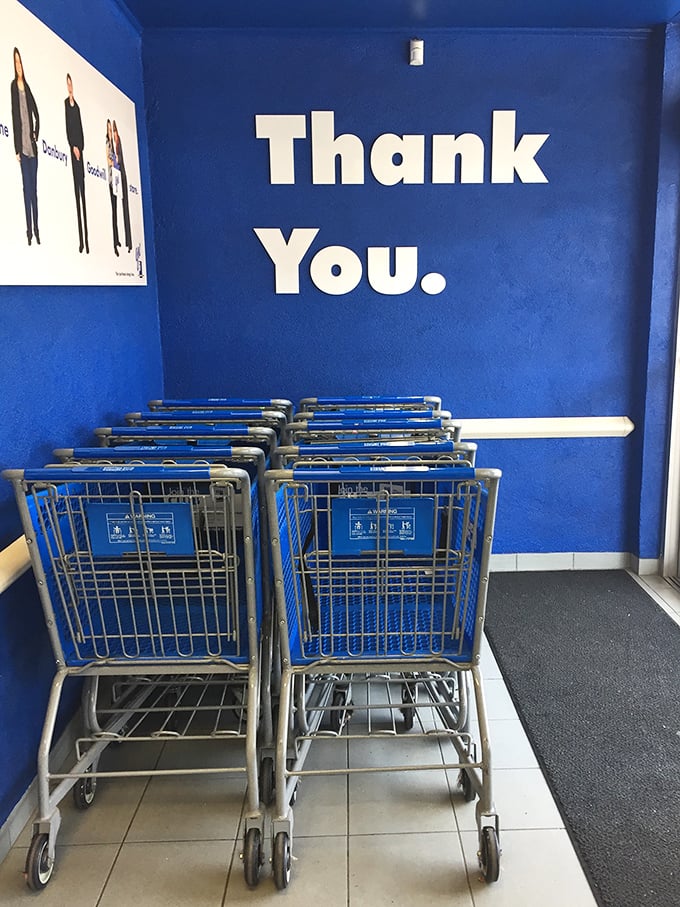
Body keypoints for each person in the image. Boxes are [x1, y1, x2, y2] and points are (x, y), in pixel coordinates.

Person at [10, 47, 40, 246]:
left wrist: (36, 132)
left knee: (34, 191)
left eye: (20, 62)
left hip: (33, 149)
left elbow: (37, 112)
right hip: (22, 148)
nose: (19, 65)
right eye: (16, 62)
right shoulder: (13, 86)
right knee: (25, 189)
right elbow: (14, 117)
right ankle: (28, 231)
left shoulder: (27, 87)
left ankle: (37, 229)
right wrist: (16, 149)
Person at [65, 74, 88, 253]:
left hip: (80, 154)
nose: (70, 87)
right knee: (76, 196)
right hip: (73, 156)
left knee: (84, 197)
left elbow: (80, 130)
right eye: (68, 84)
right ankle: (81, 241)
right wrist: (73, 147)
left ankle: (86, 240)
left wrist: (80, 147)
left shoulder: (78, 107)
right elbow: (69, 129)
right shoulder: (66, 104)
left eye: (71, 84)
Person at [112, 120, 131, 252]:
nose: (114, 135)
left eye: (114, 132)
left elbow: (119, 161)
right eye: (112, 132)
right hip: (115, 178)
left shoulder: (119, 145)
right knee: (116, 210)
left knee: (125, 209)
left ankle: (128, 241)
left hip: (122, 178)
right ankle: (117, 239)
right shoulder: (112, 146)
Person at [105, 119, 121, 256]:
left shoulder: (114, 146)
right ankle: (114, 243)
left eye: (111, 130)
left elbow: (117, 161)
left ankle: (117, 239)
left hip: (116, 181)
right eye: (109, 130)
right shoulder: (107, 145)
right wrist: (114, 161)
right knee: (113, 212)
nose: (110, 132)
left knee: (117, 211)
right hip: (111, 181)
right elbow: (110, 161)